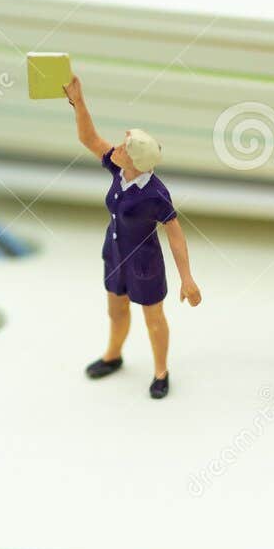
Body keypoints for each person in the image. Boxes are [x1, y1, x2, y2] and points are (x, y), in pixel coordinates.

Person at [64, 75, 201, 399]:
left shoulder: (156, 194)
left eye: (125, 148)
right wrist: (78, 102)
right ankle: (113, 354)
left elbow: (176, 236)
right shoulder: (118, 169)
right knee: (115, 310)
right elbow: (88, 138)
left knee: (153, 318)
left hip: (144, 263)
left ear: (138, 162)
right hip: (115, 255)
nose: (117, 148)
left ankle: (161, 371)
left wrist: (187, 278)